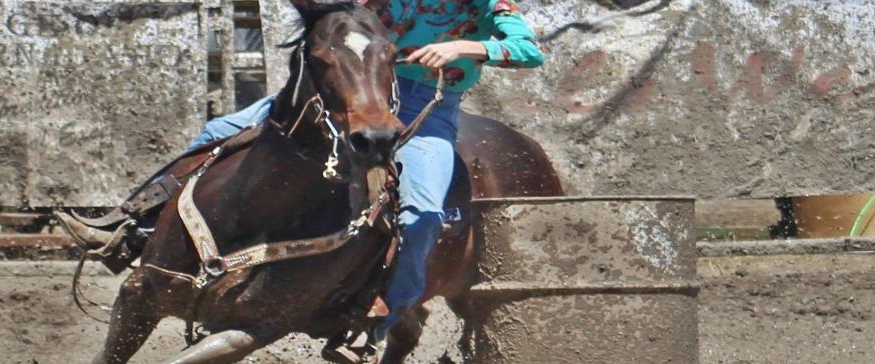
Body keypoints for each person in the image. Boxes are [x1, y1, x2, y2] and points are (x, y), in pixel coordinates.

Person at [63, 0, 545, 346]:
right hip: (349, 87)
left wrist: (464, 47)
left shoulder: (488, 3)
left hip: (425, 108)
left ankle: (388, 309)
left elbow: (528, 49)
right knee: (217, 131)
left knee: (421, 212)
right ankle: (134, 226)